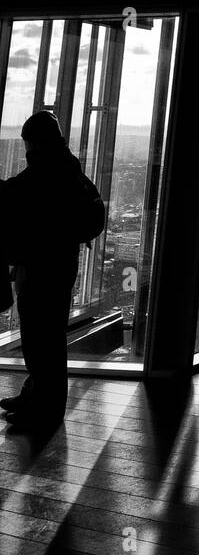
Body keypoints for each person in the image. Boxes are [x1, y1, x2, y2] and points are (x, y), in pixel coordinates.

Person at [0, 111, 102, 432]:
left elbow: (17, 194)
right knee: (44, 338)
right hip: (55, 265)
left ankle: (44, 409)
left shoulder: (48, 170)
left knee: (42, 340)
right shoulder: (65, 167)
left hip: (43, 267)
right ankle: (36, 397)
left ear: (35, 141)